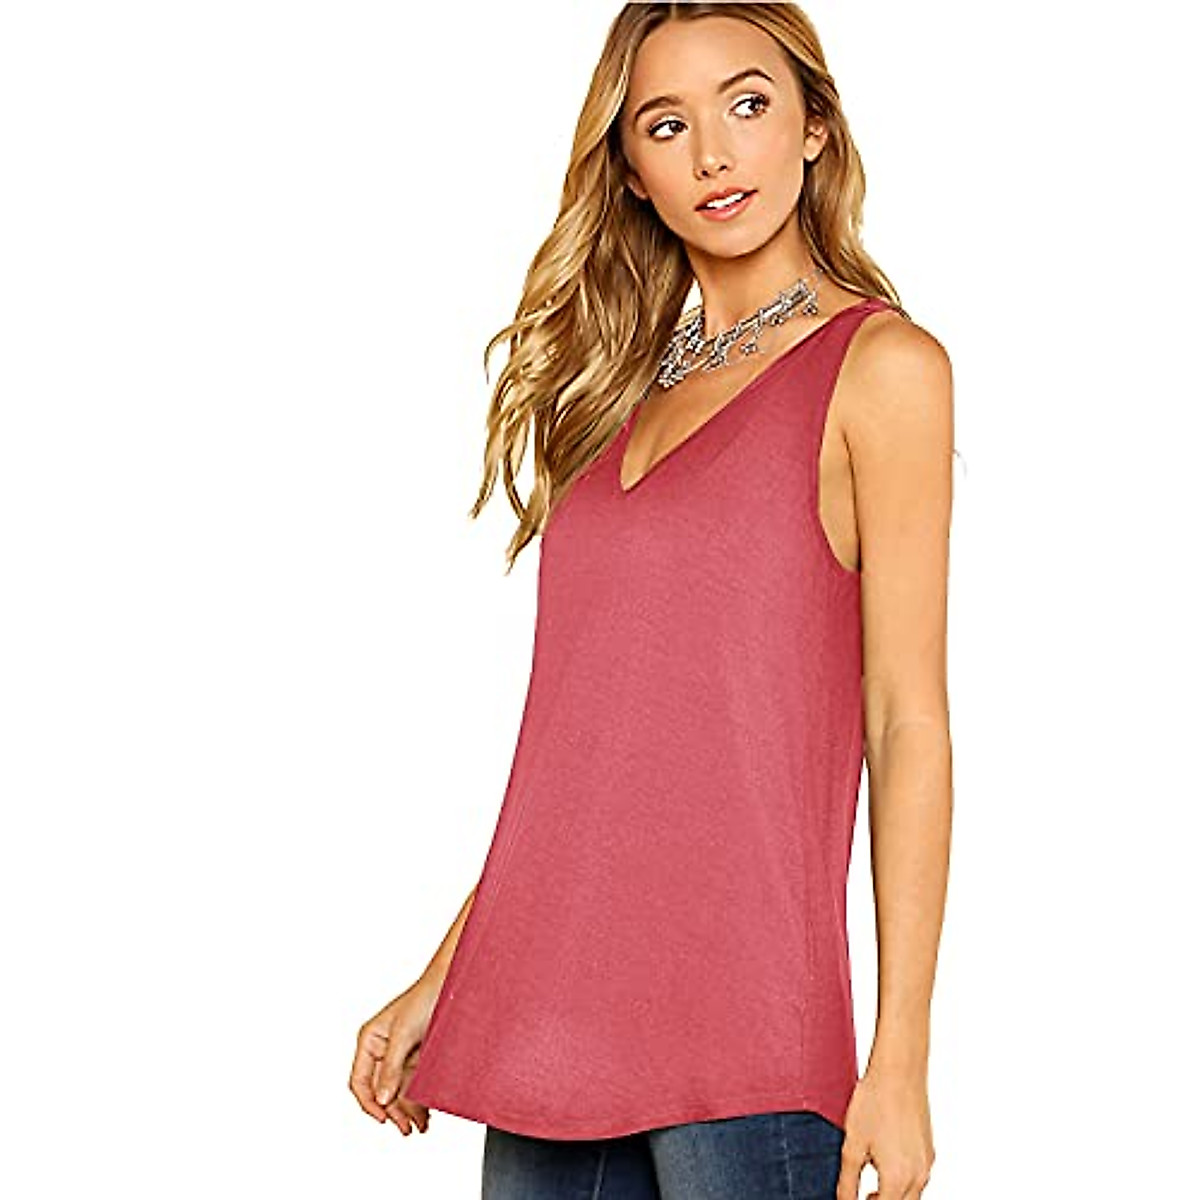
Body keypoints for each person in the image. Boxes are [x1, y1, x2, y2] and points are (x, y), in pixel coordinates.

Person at [350, 4, 954, 1197]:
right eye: (667, 126)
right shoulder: (612, 397)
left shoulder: (882, 372)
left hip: (748, 1038)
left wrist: (901, 1054)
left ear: (815, 126)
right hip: (543, 1026)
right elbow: (591, 760)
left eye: (748, 105)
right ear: (630, 170)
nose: (714, 155)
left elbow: (908, 722)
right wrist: (446, 976)